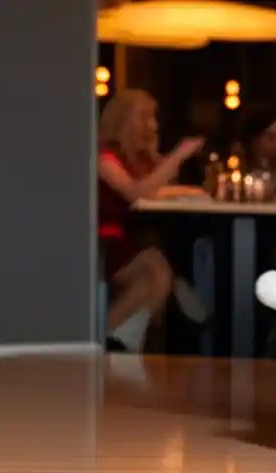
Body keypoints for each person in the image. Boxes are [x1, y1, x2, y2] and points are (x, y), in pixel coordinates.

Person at [97, 90, 206, 352]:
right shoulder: (104, 157)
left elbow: (159, 185)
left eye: (154, 118)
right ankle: (110, 341)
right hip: (102, 242)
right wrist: (177, 156)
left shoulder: (137, 157)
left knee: (156, 272)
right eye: (144, 118)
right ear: (123, 120)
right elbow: (135, 192)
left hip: (127, 239)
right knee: (157, 268)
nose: (153, 125)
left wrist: (156, 156)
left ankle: (117, 343)